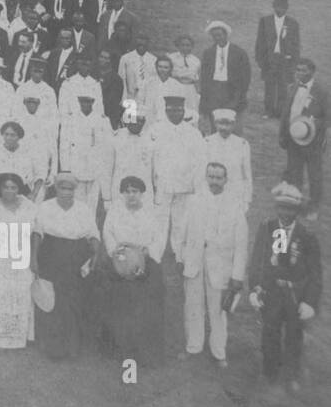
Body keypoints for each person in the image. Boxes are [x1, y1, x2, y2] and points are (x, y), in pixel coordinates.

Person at [249, 183, 322, 391]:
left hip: (295, 294)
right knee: (269, 331)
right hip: (271, 292)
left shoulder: (307, 235)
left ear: (297, 211)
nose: (285, 213)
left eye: (290, 209)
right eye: (281, 207)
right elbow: (256, 262)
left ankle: (292, 373)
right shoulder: (267, 227)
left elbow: (315, 273)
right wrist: (254, 288)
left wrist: (309, 302)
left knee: (294, 335)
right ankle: (269, 370)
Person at [93, 176, 166, 367]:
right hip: (119, 263)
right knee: (116, 300)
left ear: (142, 193)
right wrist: (115, 252)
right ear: (123, 194)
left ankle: (143, 347)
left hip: (145, 264)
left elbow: (159, 238)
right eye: (127, 191)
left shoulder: (152, 213)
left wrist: (146, 252)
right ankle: (115, 346)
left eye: (135, 191)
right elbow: (107, 232)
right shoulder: (116, 212)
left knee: (145, 303)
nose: (131, 195)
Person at [180, 163, 248, 366]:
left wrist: (237, 276)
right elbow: (181, 231)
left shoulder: (235, 205)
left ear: (226, 180)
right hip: (194, 261)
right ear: (206, 177)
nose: (214, 182)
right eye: (211, 177)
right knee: (193, 306)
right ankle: (194, 346)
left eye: (219, 178)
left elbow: (241, 244)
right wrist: (180, 257)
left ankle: (219, 352)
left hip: (220, 266)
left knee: (217, 310)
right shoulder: (194, 201)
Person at [32, 172, 99, 360]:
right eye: (62, 188)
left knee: (74, 299)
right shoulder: (45, 207)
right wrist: (34, 258)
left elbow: (92, 233)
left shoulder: (83, 209)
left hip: (76, 255)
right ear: (56, 188)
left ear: (75, 190)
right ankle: (53, 347)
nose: (66, 192)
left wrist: (95, 253)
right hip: (51, 253)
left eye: (70, 189)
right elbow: (37, 233)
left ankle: (73, 346)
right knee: (53, 300)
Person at [0, 172, 37, 349]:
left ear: (19, 189)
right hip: (0, 255)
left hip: (21, 256)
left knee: (20, 292)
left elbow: (36, 233)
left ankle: (18, 336)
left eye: (13, 187)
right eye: (6, 187)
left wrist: (33, 257)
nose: (9, 191)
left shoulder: (29, 206)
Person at [279, 57, 326, 211]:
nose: (299, 73)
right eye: (297, 70)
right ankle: (295, 202)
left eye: (303, 70)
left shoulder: (321, 91)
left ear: (312, 72)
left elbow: (327, 116)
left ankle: (313, 206)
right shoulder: (292, 87)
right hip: (293, 138)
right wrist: (283, 134)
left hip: (312, 140)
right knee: (294, 171)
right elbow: (286, 113)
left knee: (314, 175)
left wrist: (312, 124)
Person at [255, 0, 300, 119]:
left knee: (283, 86)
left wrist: (294, 63)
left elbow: (296, 45)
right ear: (273, 6)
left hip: (285, 59)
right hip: (270, 59)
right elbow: (260, 42)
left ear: (287, 8)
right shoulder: (265, 21)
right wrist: (260, 60)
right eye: (277, 7)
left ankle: (280, 112)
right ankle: (268, 111)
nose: (280, 10)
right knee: (269, 86)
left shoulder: (293, 23)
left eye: (283, 7)